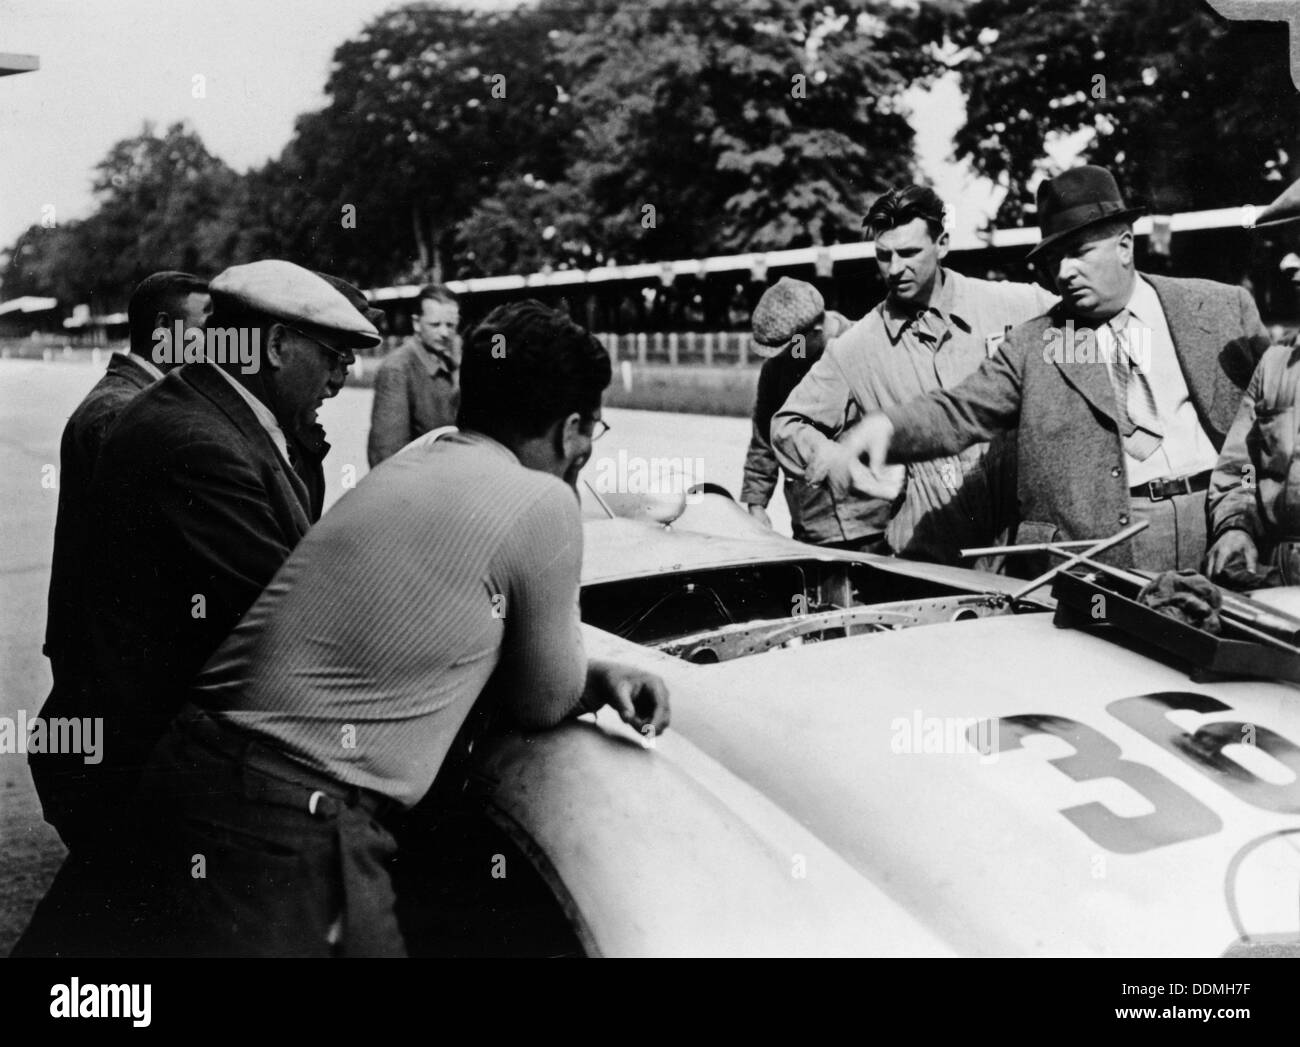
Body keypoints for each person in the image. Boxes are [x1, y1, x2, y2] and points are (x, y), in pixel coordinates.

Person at [122, 300, 669, 957]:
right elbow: (541, 699)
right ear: (571, 428)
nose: (584, 451)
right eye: (591, 432)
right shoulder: (544, 500)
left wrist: (598, 676)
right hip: (291, 823)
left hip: (186, 770)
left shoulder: (422, 454)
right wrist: (586, 675)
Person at [835, 166, 1271, 577]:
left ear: (1124, 245)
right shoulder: (1038, 343)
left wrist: (1245, 522)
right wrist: (887, 430)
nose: (1064, 272)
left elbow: (1277, 419)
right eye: (1054, 259)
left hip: (1222, 529)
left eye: (1079, 253)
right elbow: (959, 411)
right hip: (1106, 552)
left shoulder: (1220, 310)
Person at [772, 185, 1055, 567]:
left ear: (942, 244)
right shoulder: (854, 349)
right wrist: (835, 460)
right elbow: (788, 424)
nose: (894, 269)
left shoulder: (1016, 306)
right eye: (883, 256)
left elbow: (1096, 340)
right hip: (929, 557)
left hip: (1021, 548)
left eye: (908, 253)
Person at [33, 271, 211, 854]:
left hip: (103, 656)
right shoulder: (125, 415)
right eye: (207, 325)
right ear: (165, 330)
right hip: (111, 663)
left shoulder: (127, 403)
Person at [740, 278, 891, 549]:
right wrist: (756, 503)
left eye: (790, 347)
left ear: (815, 329)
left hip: (875, 522)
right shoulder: (778, 368)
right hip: (813, 525)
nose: (782, 357)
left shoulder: (868, 346)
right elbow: (764, 438)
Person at [367, 283, 461, 465]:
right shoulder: (398, 369)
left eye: (450, 325)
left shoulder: (450, 363)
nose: (444, 333)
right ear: (417, 323)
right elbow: (386, 455)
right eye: (435, 325)